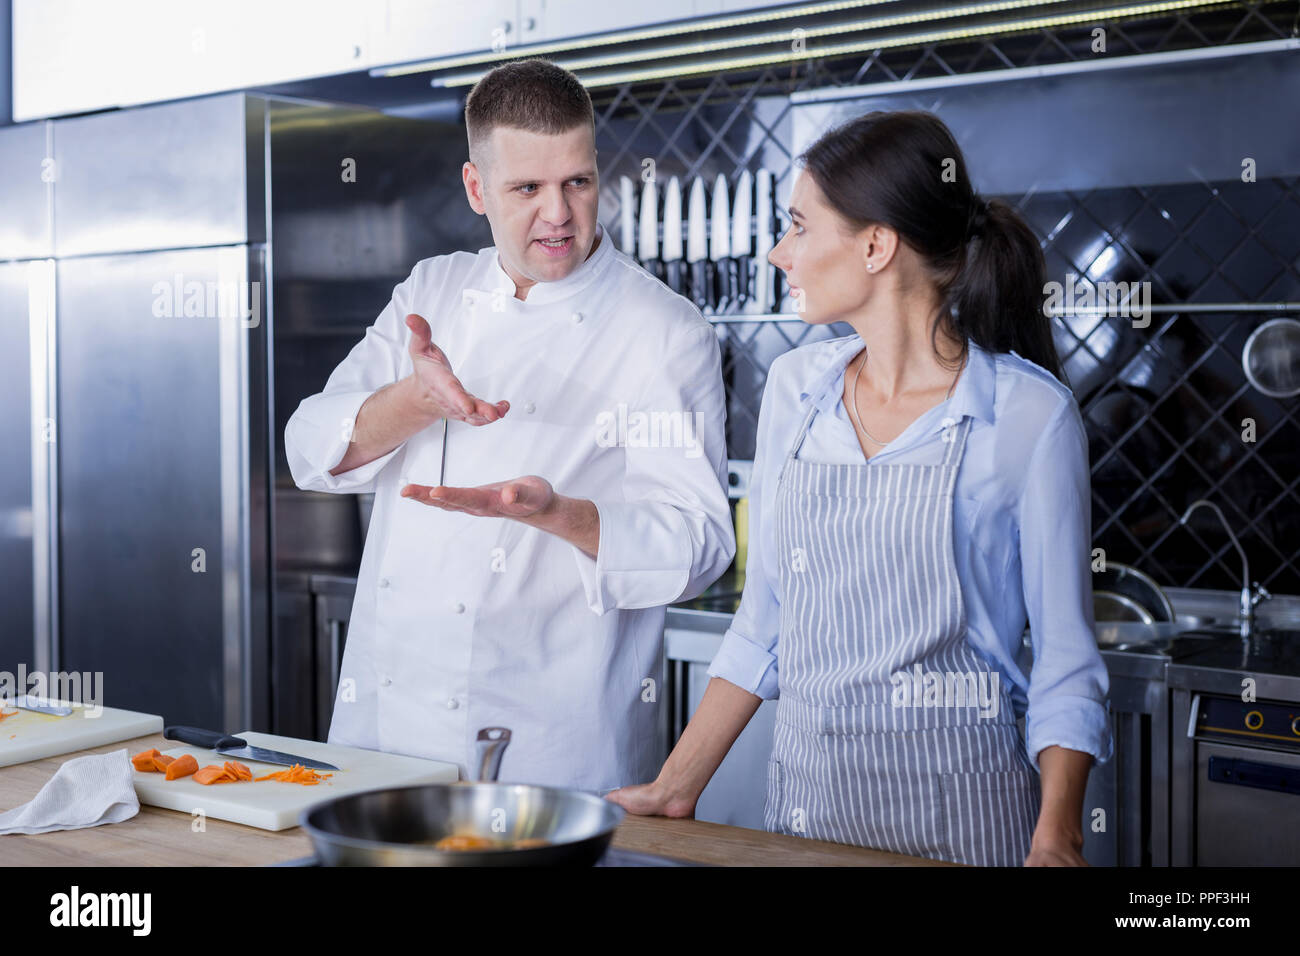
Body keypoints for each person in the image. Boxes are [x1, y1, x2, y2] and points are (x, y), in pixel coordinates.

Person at [607, 110, 1113, 866]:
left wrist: (1057, 835)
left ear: (876, 246)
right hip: (807, 814)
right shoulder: (795, 390)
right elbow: (765, 619)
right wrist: (676, 786)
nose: (781, 252)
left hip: (964, 824)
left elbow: (1068, 662)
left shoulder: (1026, 416)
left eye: (799, 227)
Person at [284, 58, 734, 791]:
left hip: (552, 742)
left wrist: (563, 515)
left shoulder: (663, 330)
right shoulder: (434, 288)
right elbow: (308, 450)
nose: (558, 214)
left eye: (577, 182)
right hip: (384, 734)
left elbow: (702, 542)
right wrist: (418, 400)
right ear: (476, 188)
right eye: (527, 188)